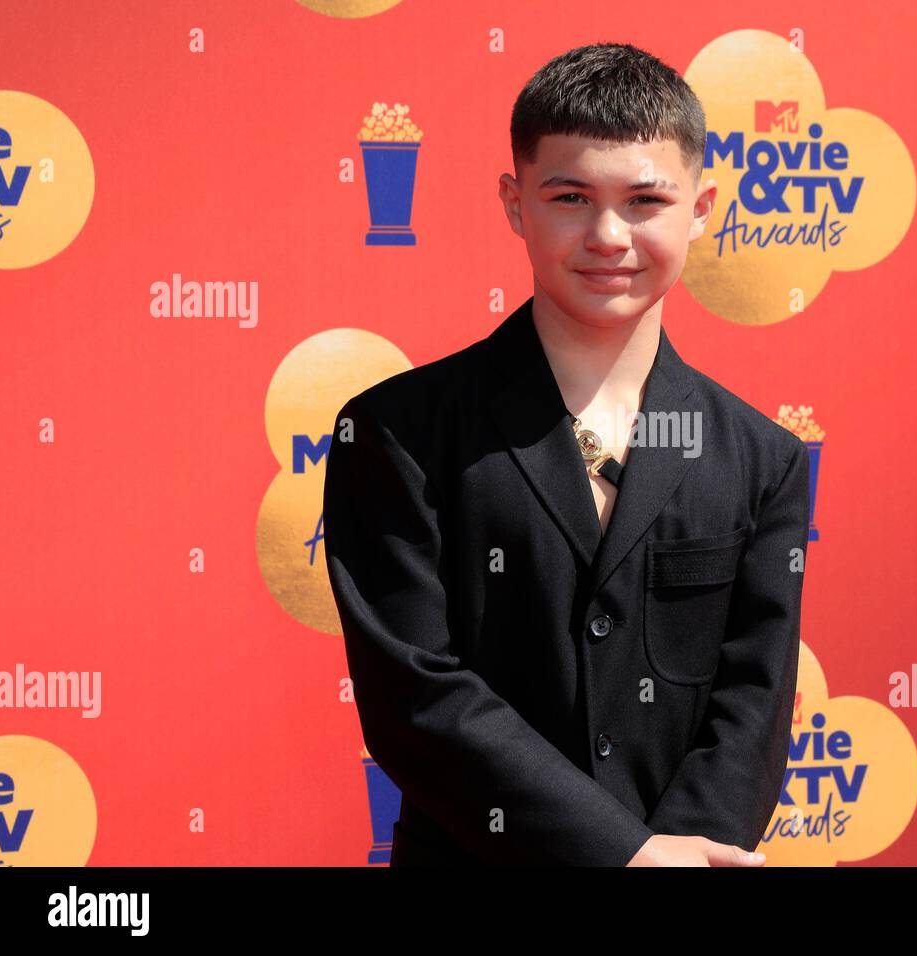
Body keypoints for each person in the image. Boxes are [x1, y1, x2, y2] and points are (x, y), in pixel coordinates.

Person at [322, 42, 810, 867]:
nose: (608, 235)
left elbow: (755, 701)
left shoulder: (762, 458)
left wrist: (680, 857)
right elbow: (415, 694)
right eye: (571, 197)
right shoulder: (397, 433)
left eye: (646, 200)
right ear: (516, 204)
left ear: (702, 209)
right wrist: (621, 855)